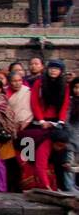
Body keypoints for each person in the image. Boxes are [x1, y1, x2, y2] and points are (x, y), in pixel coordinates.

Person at [25, 59, 71, 190]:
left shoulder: (65, 85)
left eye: (56, 69)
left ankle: (60, 185)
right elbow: (34, 102)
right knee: (31, 149)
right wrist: (41, 120)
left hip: (57, 121)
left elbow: (65, 104)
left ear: (61, 71)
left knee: (60, 151)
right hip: (40, 121)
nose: (53, 71)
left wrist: (60, 121)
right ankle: (33, 181)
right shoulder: (39, 83)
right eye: (51, 68)